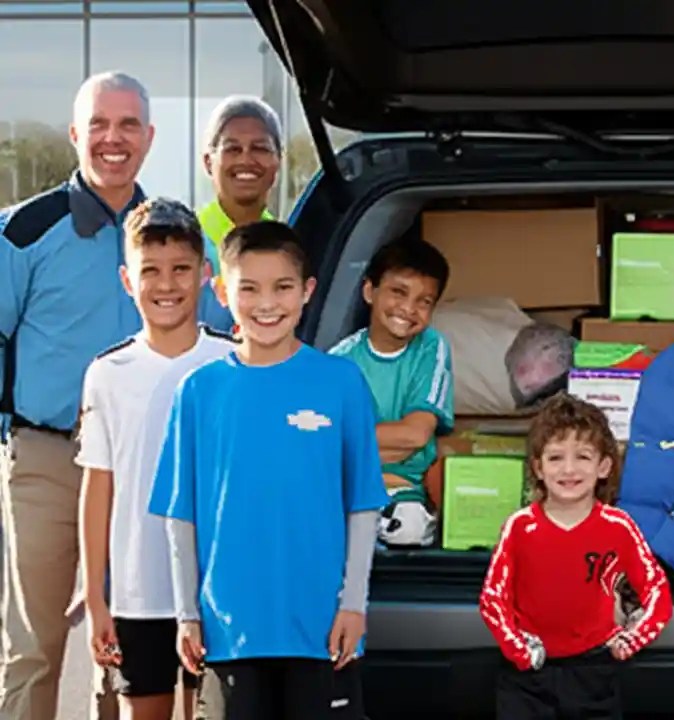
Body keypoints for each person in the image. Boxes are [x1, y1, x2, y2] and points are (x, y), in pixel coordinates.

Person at [0, 70, 211, 720]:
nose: (112, 139)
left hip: (150, 467)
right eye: (98, 124)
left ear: (149, 137)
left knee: (124, 640)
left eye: (127, 125)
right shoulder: (23, 231)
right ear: (74, 134)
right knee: (34, 646)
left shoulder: (172, 232)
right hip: (51, 461)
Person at [147, 220, 388, 719]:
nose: (267, 304)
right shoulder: (198, 391)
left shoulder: (341, 382)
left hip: (322, 627)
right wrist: (187, 614)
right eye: (249, 288)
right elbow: (180, 517)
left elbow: (363, 504)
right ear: (221, 291)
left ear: (307, 291)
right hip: (229, 630)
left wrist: (354, 604)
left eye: (282, 287)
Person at [76, 199, 234, 720]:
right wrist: (97, 597)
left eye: (181, 269)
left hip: (216, 590)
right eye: (151, 271)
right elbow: (99, 486)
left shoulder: (230, 364)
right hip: (137, 591)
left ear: (205, 274)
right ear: (127, 279)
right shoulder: (108, 372)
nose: (166, 285)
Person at [478, 393, 673, 719]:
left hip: (594, 672)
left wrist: (631, 640)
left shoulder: (619, 527)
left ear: (603, 466)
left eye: (582, 456)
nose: (569, 469)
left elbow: (657, 593)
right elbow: (492, 599)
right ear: (538, 468)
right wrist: (520, 651)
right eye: (555, 458)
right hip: (527, 677)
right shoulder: (519, 527)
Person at [329, 239, 453, 547]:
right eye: (398, 292)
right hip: (347, 486)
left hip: (403, 487)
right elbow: (322, 446)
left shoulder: (431, 348)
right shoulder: (338, 362)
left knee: (407, 528)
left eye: (424, 301)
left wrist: (349, 442)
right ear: (370, 291)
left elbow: (415, 436)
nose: (409, 309)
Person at [197, 95, 283, 331]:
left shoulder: (286, 245)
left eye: (260, 148)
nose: (246, 159)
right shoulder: (186, 243)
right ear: (208, 162)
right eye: (232, 149)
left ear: (278, 161)